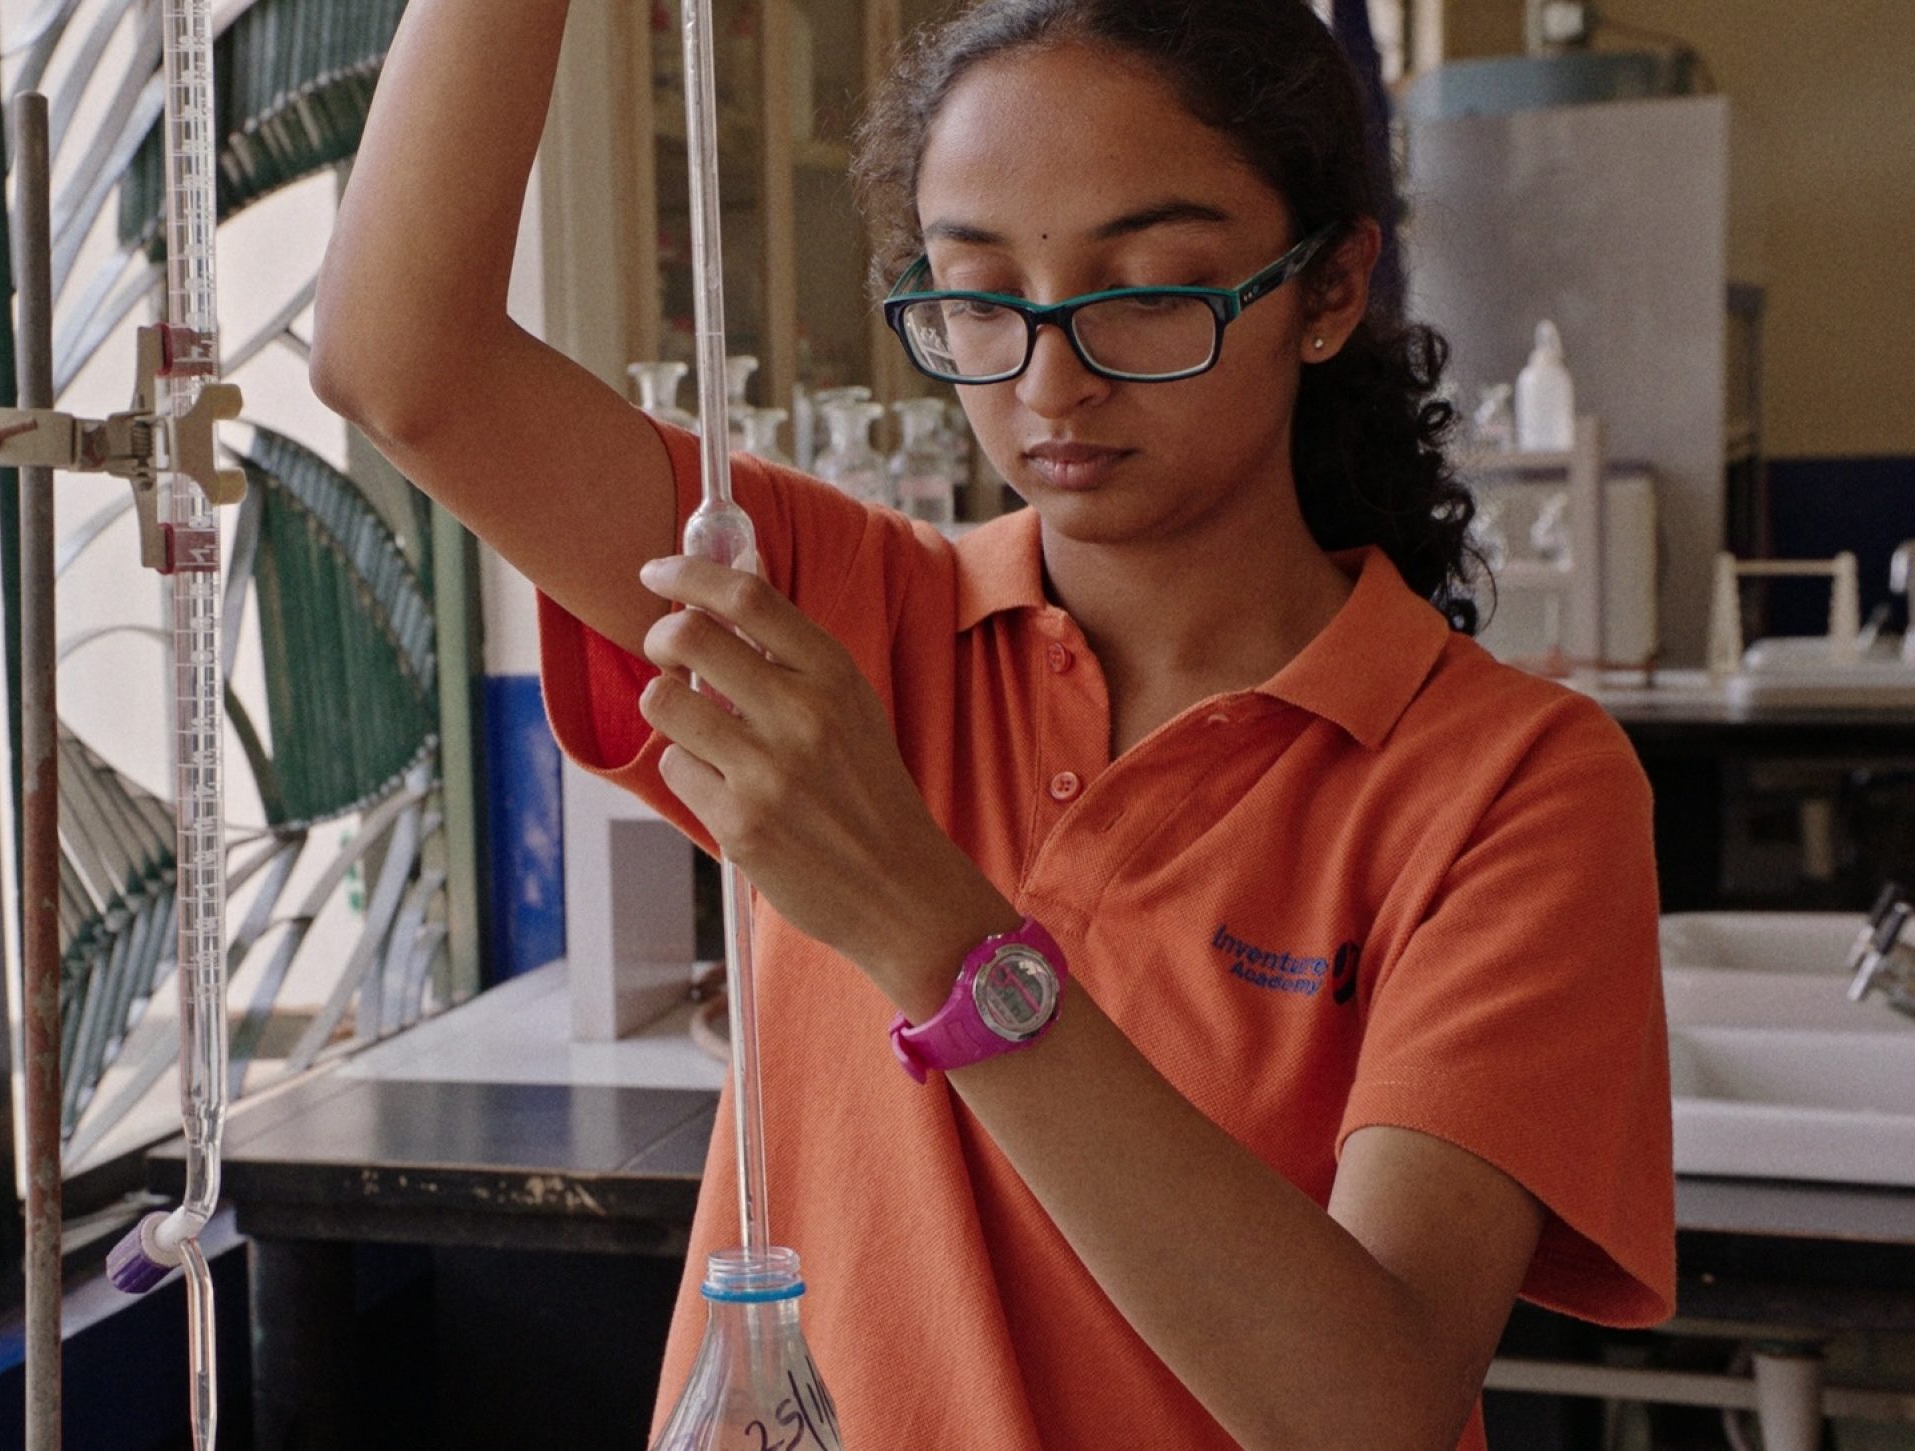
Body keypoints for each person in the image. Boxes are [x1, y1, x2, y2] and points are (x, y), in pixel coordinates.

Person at [310, 1, 1675, 1445]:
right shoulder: (843, 614)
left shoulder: (1509, 784)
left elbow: (1372, 1413)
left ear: (1329, 288)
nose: (1049, 383)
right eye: (977, 296)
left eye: (1148, 287)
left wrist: (936, 932)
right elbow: (407, 368)